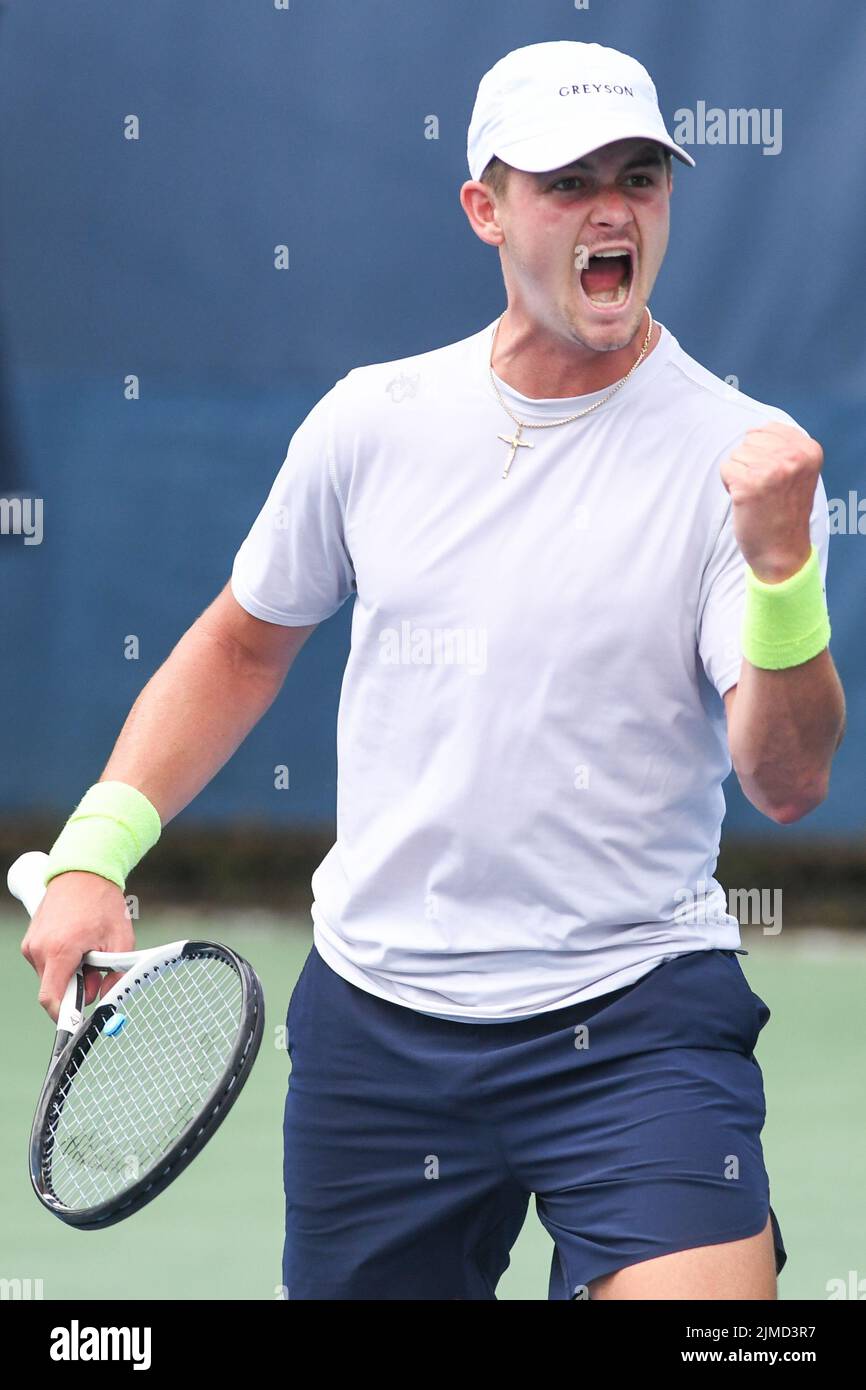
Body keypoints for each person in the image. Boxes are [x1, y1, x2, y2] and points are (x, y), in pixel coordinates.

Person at [22, 40, 846, 1300]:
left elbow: (785, 782)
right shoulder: (372, 420)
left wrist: (784, 574)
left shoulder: (741, 461)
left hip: (632, 1014)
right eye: (566, 180)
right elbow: (241, 645)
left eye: (638, 173)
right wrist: (95, 848)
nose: (611, 205)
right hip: (379, 1026)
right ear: (485, 208)